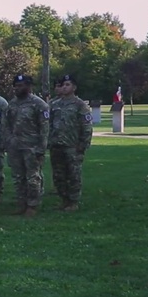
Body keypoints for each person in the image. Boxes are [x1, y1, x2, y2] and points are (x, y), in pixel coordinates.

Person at [6, 74, 50, 217]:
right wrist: (7, 141)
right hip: (15, 146)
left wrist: (41, 148)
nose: (17, 89)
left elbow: (44, 128)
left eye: (20, 86)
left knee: (33, 177)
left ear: (29, 87)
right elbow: (7, 124)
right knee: (18, 177)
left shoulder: (39, 104)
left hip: (32, 147)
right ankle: (21, 203)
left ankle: (32, 205)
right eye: (16, 86)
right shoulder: (12, 104)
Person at [49, 74, 93, 211]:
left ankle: (73, 202)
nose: (64, 87)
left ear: (74, 87)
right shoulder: (54, 104)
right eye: (62, 85)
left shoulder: (80, 105)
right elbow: (48, 124)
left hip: (72, 146)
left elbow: (86, 126)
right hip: (56, 145)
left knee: (73, 175)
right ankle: (64, 199)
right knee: (59, 175)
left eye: (67, 85)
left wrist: (83, 144)